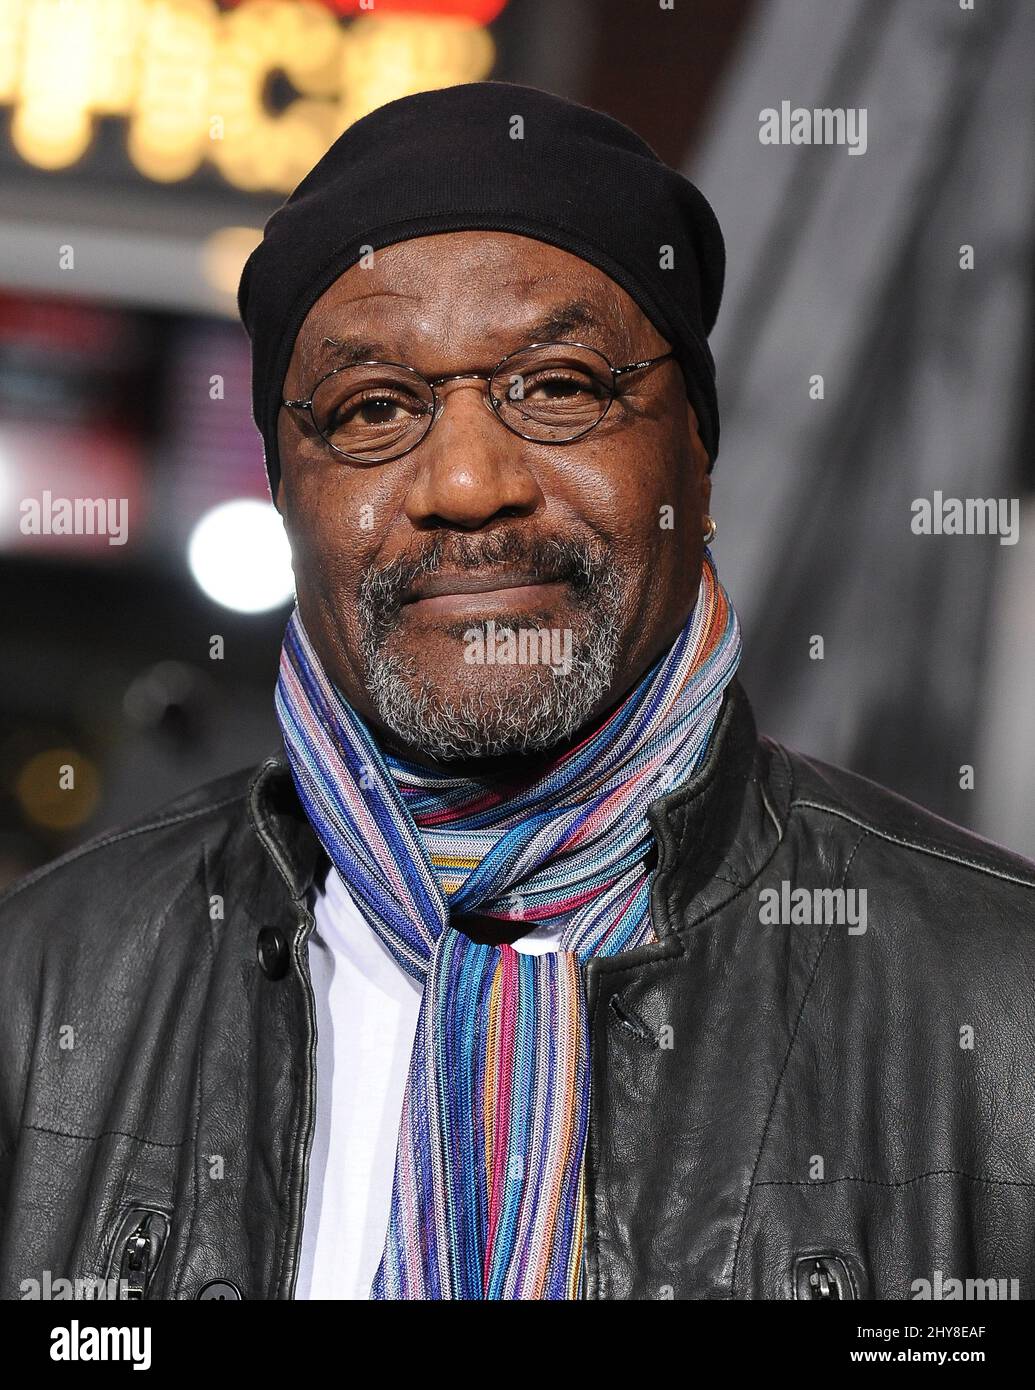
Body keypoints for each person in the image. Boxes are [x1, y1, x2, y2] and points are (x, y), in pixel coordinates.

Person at [1, 82, 1033, 1303]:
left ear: (697, 458)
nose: (469, 479)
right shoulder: (42, 995)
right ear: (289, 493)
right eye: (374, 409)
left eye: (557, 387)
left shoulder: (1002, 1009)